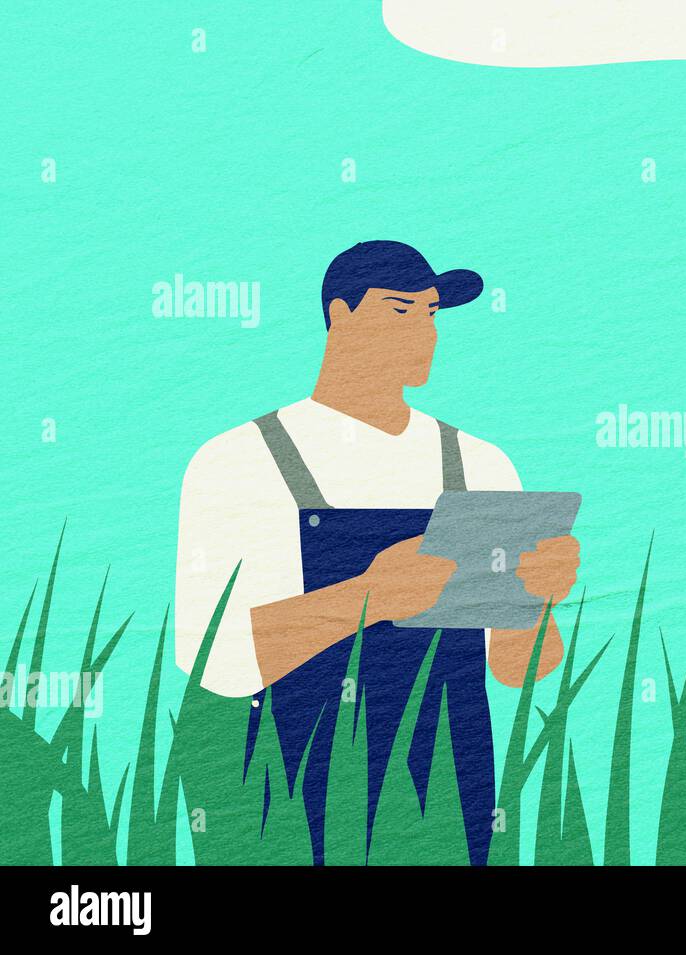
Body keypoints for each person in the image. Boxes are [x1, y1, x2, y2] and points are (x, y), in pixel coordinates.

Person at [174, 240, 580, 864]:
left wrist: (541, 596)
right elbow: (215, 661)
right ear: (339, 314)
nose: (423, 333)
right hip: (293, 797)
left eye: (432, 314)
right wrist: (370, 596)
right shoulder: (240, 460)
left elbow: (515, 669)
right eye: (399, 311)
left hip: (449, 798)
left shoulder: (479, 463)